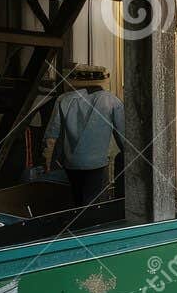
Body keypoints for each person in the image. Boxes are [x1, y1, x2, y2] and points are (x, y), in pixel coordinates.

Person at [42, 65, 125, 206]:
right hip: (97, 164)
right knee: (96, 206)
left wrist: (48, 164)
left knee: (76, 202)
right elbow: (123, 136)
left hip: (70, 164)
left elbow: (51, 137)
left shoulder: (63, 100)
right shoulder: (111, 101)